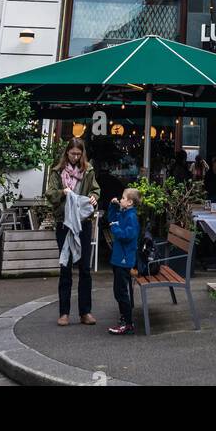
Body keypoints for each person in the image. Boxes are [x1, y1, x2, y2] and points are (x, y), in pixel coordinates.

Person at [45, 138, 100, 327]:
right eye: (72, 154)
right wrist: (63, 192)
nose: (75, 157)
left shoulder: (88, 170)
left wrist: (94, 197)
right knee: (65, 267)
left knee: (85, 267)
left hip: (83, 223)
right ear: (66, 153)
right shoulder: (57, 171)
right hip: (63, 223)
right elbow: (50, 194)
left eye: (78, 154)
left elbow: (96, 190)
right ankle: (64, 313)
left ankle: (85, 312)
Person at [107, 187, 140, 335]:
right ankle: (124, 318)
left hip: (124, 259)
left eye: (123, 198)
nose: (120, 199)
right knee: (118, 291)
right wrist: (113, 206)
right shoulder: (124, 212)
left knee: (121, 291)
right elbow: (112, 219)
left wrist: (115, 229)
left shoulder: (131, 217)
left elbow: (128, 235)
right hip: (119, 258)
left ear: (130, 202)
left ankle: (128, 323)